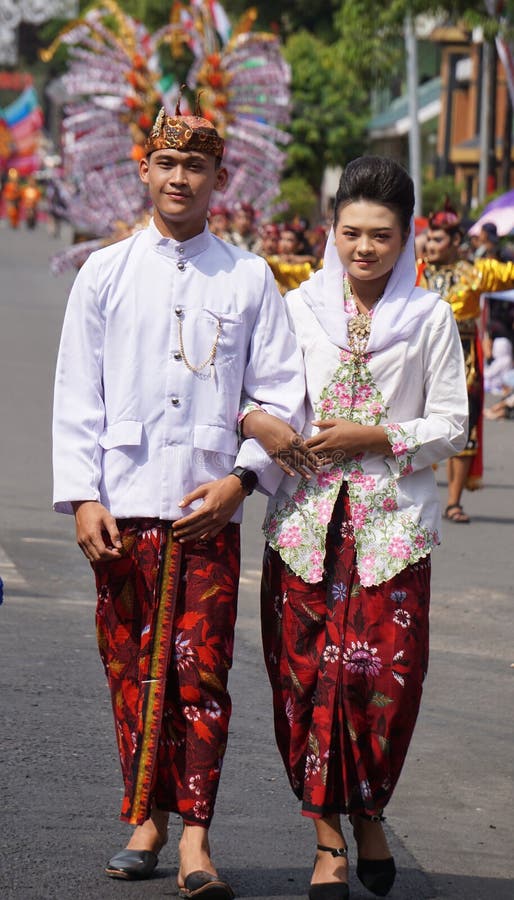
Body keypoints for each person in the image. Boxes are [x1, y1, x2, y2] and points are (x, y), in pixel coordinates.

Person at [52, 102, 305, 898]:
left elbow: (280, 397)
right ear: (144, 170)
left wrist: (241, 480)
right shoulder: (104, 271)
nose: (179, 178)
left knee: (202, 673)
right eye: (167, 164)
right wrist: (83, 496)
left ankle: (196, 835)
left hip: (208, 511)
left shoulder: (250, 277)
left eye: (196, 166)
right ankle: (145, 820)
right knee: (131, 670)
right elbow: (74, 396)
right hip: (122, 507)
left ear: (218, 179)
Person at [239, 156, 468, 899]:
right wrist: (264, 426)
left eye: (381, 235)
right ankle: (329, 839)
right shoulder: (295, 309)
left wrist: (375, 436)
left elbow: (453, 425)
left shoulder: (431, 318)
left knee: (381, 688)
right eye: (350, 233)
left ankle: (370, 814)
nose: (364, 249)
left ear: (406, 239)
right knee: (302, 682)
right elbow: (256, 394)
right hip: (304, 528)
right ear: (331, 230)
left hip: (391, 533)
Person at [417, 205, 514, 522]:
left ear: (456, 240)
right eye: (429, 238)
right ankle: (413, 497)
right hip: (419, 356)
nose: (431, 245)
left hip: (464, 357)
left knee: (463, 426)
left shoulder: (476, 271)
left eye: (439, 238)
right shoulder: (413, 271)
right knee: (411, 422)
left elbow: (509, 274)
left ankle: (453, 501)